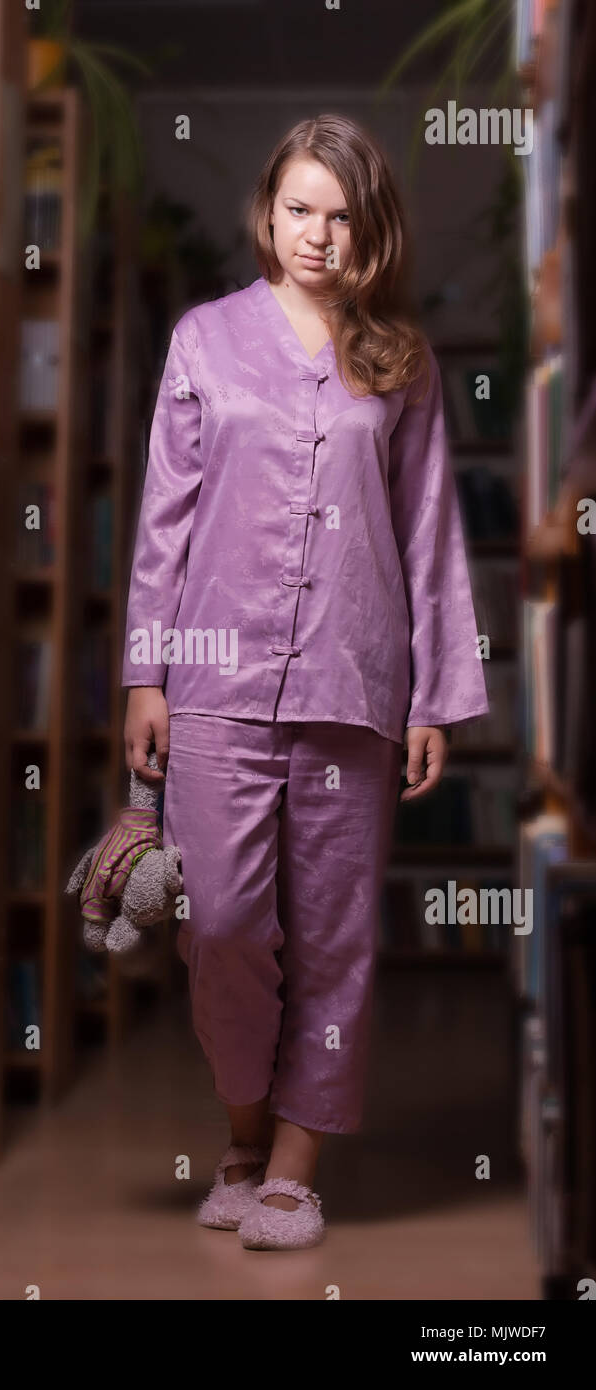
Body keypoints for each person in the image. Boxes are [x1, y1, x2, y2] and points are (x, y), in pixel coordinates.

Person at [121, 114, 489, 1251]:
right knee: (223, 921)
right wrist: (146, 672)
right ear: (266, 216)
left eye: (340, 215)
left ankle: (289, 1164)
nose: (317, 235)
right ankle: (242, 1126)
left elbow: (430, 535)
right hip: (214, 679)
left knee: (332, 937)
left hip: (354, 682)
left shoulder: (400, 358)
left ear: (367, 229)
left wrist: (434, 693)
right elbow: (163, 521)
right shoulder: (203, 341)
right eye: (297, 210)